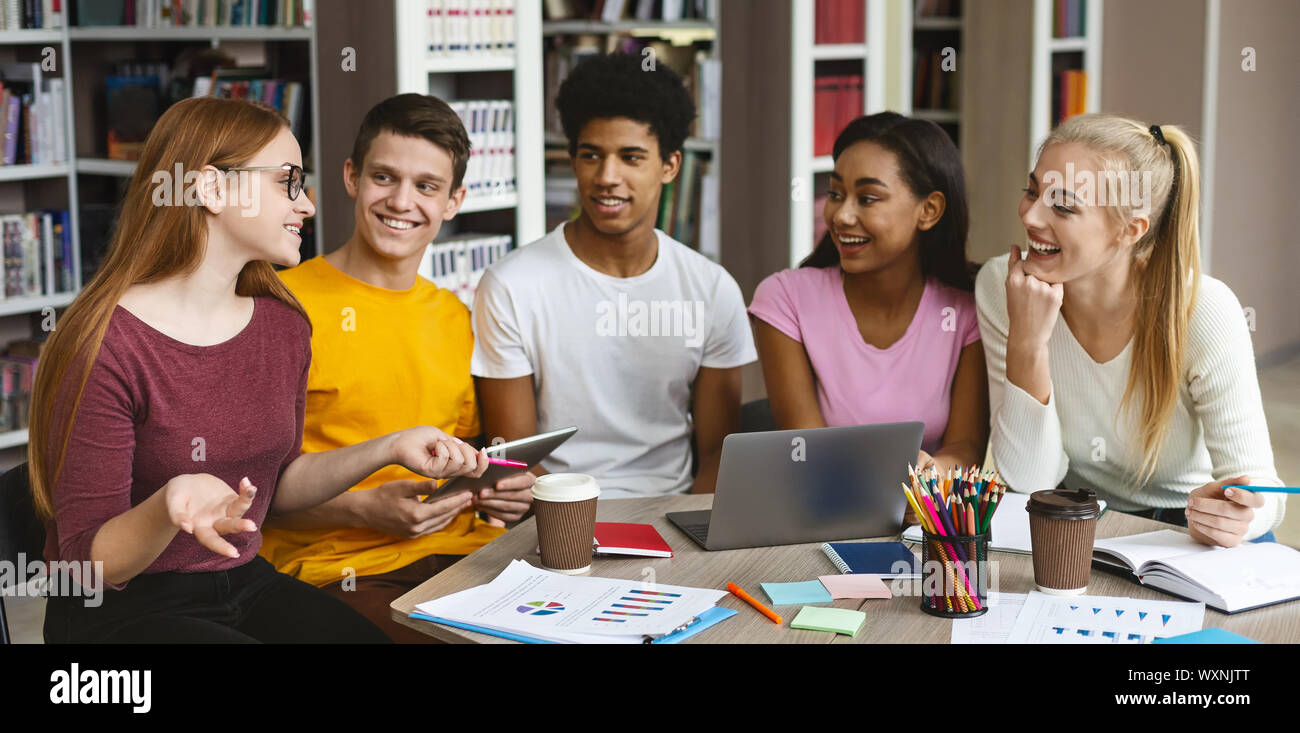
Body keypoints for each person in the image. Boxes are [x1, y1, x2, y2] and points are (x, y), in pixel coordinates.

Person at [32, 97, 488, 643]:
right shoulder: (103, 342)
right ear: (212, 188)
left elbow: (280, 483)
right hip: (122, 612)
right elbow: (88, 564)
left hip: (243, 583)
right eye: (288, 181)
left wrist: (390, 447)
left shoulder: (281, 324)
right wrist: (168, 507)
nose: (309, 206)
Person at [259, 93, 535, 643]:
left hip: (469, 561)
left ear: (454, 200)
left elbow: (466, 455)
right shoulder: (279, 304)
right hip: (336, 573)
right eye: (384, 177)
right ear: (351, 177)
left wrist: (503, 489)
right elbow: (248, 494)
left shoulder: (455, 316)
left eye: (427, 186)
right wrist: (364, 510)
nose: (402, 201)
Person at [976, 113, 1286, 546]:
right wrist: (1028, 341)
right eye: (1031, 190)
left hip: (1186, 528)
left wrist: (1238, 517)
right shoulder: (1003, 286)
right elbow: (1029, 481)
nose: (1030, 214)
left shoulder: (1204, 310)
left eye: (1063, 205)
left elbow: (1264, 492)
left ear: (1129, 230)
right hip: (1079, 517)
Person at [471, 53, 756, 498]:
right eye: (592, 156)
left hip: (674, 515)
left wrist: (689, 541)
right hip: (555, 511)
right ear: (573, 160)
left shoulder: (712, 288)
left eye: (631, 157)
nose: (607, 177)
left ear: (670, 166)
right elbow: (516, 455)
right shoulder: (510, 285)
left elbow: (719, 456)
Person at [749, 113, 988, 479]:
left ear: (929, 210)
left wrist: (935, 472)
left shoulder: (967, 309)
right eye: (835, 194)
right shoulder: (785, 299)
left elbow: (966, 446)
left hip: (925, 516)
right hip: (825, 507)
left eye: (868, 198)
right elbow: (806, 448)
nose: (842, 216)